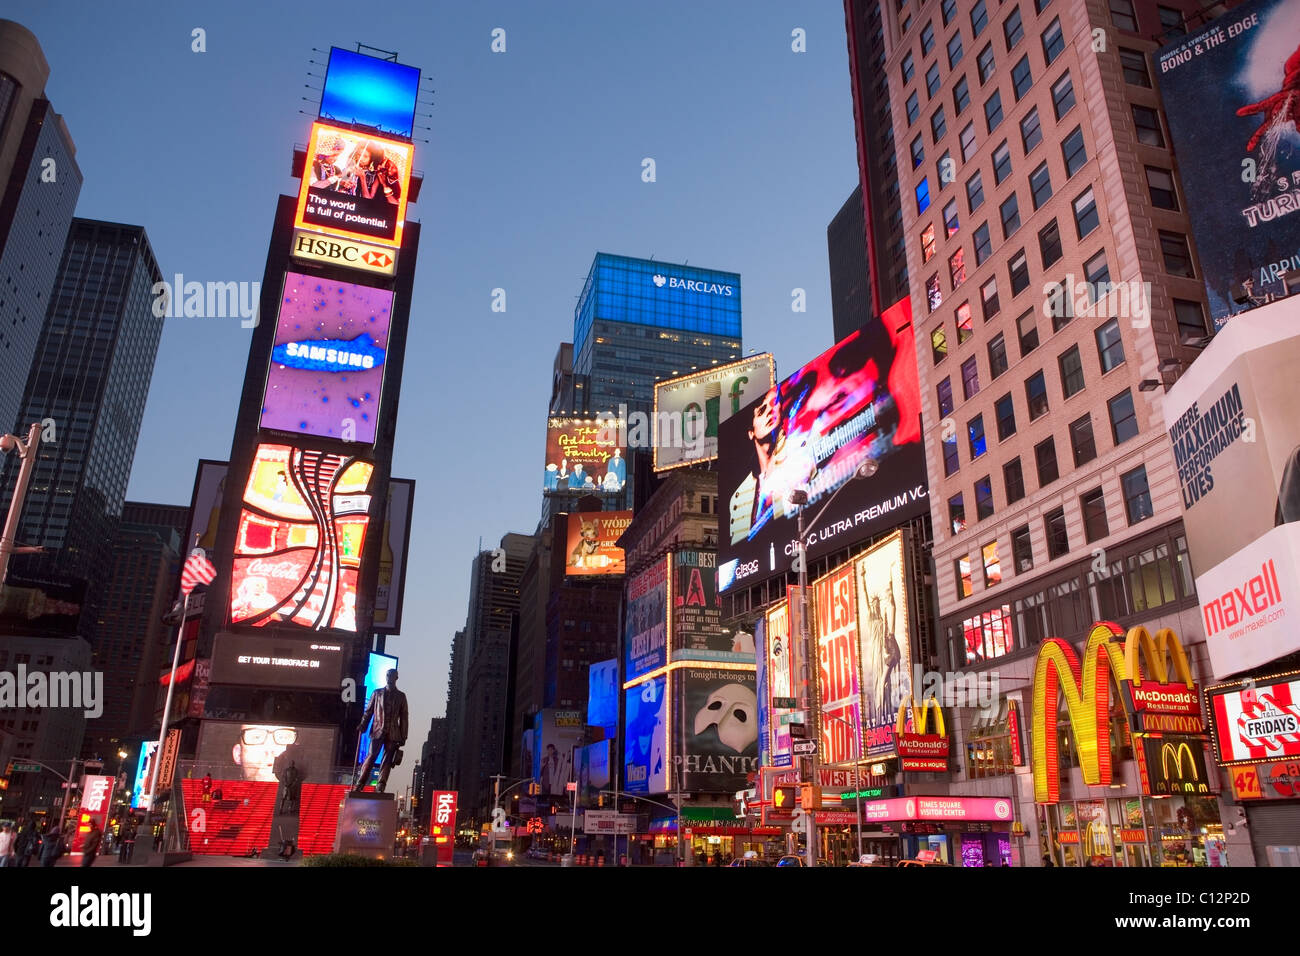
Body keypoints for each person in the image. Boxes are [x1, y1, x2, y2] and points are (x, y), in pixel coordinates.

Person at [351, 668, 408, 793]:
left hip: (393, 733)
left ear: (396, 678)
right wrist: (363, 724)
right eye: (387, 675)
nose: (389, 677)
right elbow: (369, 711)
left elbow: (404, 717)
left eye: (391, 675)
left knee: (387, 760)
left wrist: (404, 736)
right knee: (371, 756)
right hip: (377, 731)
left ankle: (381, 785)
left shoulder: (401, 696)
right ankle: (360, 783)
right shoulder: (377, 693)